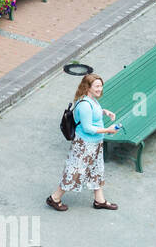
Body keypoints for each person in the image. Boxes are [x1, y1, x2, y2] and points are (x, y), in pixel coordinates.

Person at [47, 74, 120, 211]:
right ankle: (54, 198)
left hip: (95, 144)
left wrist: (104, 112)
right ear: (88, 87)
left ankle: (99, 200)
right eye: (97, 86)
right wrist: (107, 130)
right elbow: (87, 128)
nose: (100, 88)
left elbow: (94, 114)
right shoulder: (85, 104)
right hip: (85, 145)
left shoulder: (91, 99)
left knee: (96, 170)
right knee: (75, 171)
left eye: (101, 85)